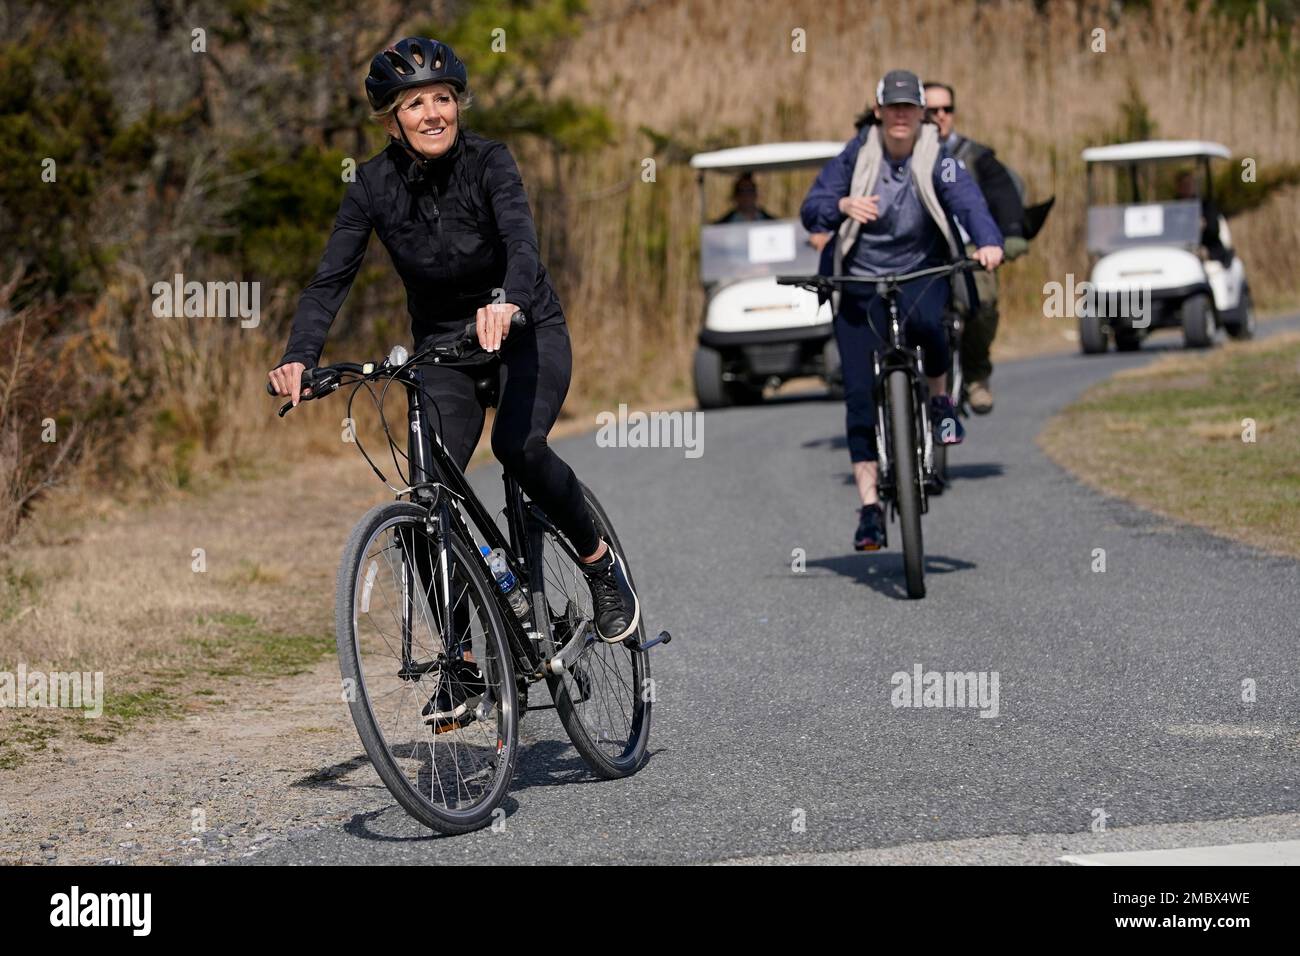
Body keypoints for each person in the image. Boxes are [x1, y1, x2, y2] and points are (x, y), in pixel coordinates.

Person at [267, 37, 638, 730]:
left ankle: (598, 566)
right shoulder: (371, 185)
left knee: (521, 449)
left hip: (524, 329)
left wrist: (509, 300)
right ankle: (466, 662)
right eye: (416, 104)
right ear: (391, 120)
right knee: (426, 498)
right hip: (444, 351)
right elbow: (330, 279)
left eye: (443, 98)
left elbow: (522, 240)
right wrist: (300, 356)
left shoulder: (491, 161)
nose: (434, 113)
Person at [801, 69, 1003, 552]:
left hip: (919, 272)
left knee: (935, 326)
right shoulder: (854, 154)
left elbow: (968, 202)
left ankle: (940, 402)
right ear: (878, 111)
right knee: (856, 397)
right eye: (892, 108)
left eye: (908, 109)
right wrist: (842, 205)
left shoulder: (940, 158)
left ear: (920, 114)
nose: (900, 117)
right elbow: (814, 207)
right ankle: (870, 509)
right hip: (859, 283)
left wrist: (989, 242)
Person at [922, 81, 1027, 415]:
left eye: (946, 109)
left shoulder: (975, 156)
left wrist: (1007, 235)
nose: (940, 116)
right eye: (931, 110)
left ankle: (976, 376)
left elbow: (1003, 195)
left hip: (968, 251)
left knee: (982, 301)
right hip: (920, 253)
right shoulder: (901, 154)